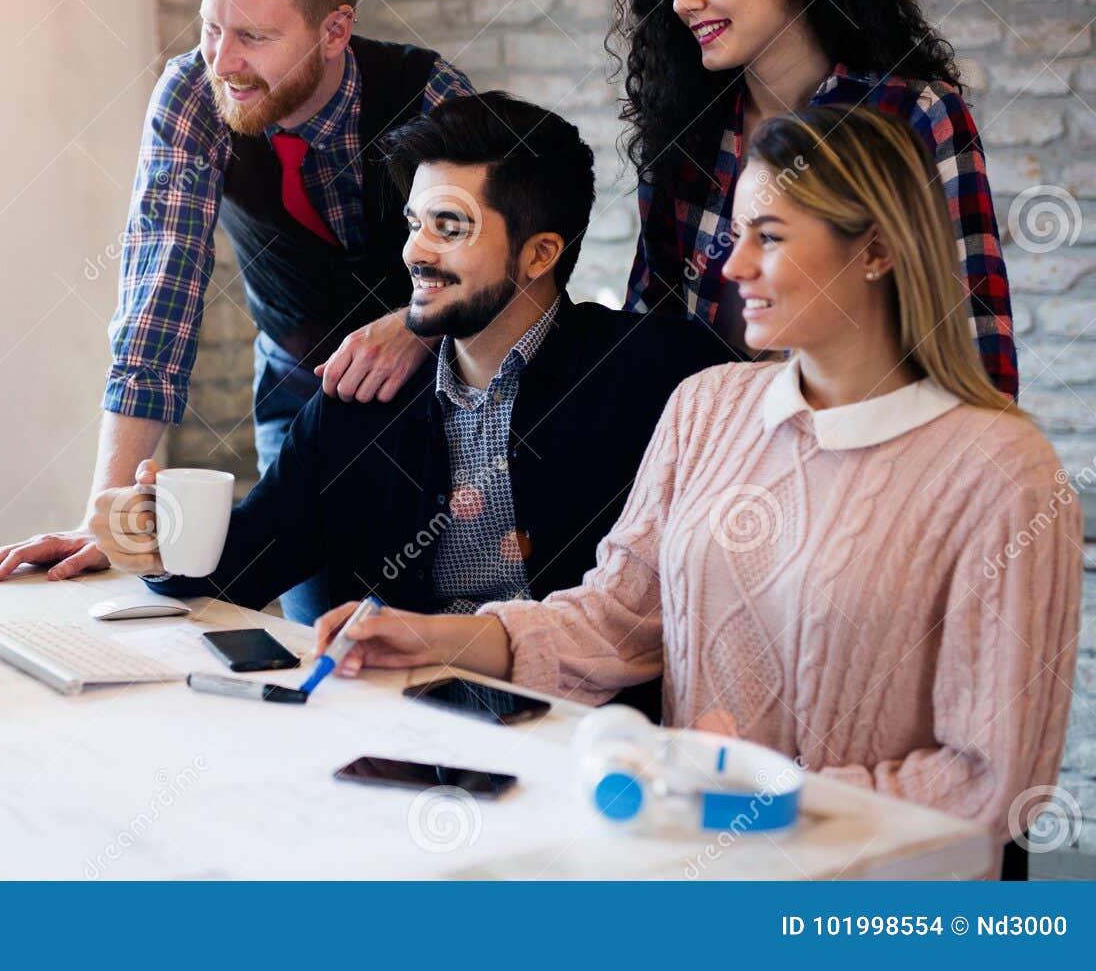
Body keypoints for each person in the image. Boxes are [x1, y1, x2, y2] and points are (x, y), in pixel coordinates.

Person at [317, 106, 1079, 873]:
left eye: (769, 236)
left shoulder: (1000, 470)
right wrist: (429, 636)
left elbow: (990, 776)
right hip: (692, 866)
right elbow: (616, 617)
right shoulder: (707, 406)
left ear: (877, 248)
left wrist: (749, 806)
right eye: (739, 233)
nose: (733, 266)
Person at [91, 92, 739, 722]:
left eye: (449, 227)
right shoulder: (361, 399)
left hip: (591, 739)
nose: (415, 251)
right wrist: (157, 538)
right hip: (404, 725)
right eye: (414, 223)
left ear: (540, 253)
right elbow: (243, 563)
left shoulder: (658, 376)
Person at [0, 0, 474, 623]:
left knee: (428, 629)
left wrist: (418, 323)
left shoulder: (429, 97)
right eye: (211, 28)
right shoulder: (192, 98)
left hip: (442, 395)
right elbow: (158, 298)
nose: (224, 61)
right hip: (302, 397)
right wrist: (104, 516)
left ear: (335, 31)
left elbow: (505, 263)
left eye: (254, 37)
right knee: (319, 636)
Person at [615, 0, 1016, 395]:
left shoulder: (914, 115)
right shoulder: (686, 130)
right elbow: (648, 336)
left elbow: (976, 346)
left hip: (881, 462)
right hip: (715, 463)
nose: (682, 0)